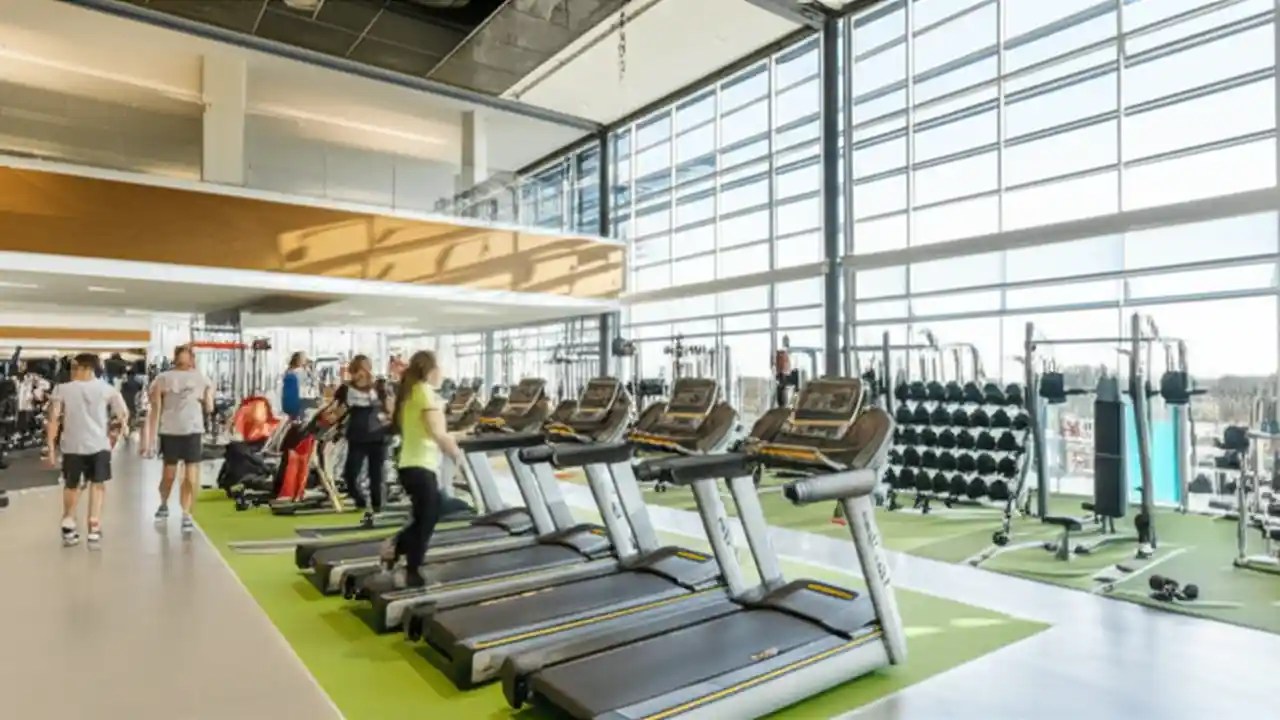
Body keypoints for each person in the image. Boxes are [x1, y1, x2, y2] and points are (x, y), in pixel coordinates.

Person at [383, 350, 462, 588]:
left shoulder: (412, 392)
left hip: (410, 466)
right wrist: (457, 457)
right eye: (441, 367)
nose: (443, 372)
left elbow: (426, 431)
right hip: (420, 468)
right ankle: (412, 570)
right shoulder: (425, 393)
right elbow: (437, 434)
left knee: (427, 515)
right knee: (427, 520)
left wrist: (460, 435)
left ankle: (395, 548)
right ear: (430, 370)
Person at [44, 353, 129, 547]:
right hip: (96, 445)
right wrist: (117, 435)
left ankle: (71, 521)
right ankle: (92, 526)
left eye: (75, 368)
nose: (72, 372)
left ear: (87, 368)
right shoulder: (107, 390)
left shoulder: (62, 389)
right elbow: (122, 415)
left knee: (74, 485)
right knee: (95, 485)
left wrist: (51, 448)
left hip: (75, 446)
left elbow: (53, 420)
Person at [142, 345, 213, 533]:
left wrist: (208, 399)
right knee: (169, 476)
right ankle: (163, 503)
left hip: (193, 431)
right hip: (170, 432)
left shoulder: (201, 378)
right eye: (180, 358)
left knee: (190, 477)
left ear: (191, 359)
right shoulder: (163, 379)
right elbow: (155, 409)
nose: (184, 361)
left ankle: (186, 513)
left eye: (187, 358)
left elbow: (209, 405)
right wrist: (150, 440)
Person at [325, 355, 392, 526]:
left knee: (376, 475)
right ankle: (360, 500)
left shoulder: (380, 387)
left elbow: (390, 408)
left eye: (362, 370)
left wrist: (388, 417)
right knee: (350, 474)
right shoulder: (346, 389)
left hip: (378, 436)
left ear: (368, 369)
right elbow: (338, 409)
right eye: (355, 371)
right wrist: (330, 420)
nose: (359, 375)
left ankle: (378, 508)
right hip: (357, 436)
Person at [281, 351, 307, 418]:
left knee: (291, 419)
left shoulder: (288, 371)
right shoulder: (300, 371)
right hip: (296, 402)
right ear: (299, 360)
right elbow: (305, 386)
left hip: (286, 402)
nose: (305, 360)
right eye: (303, 359)